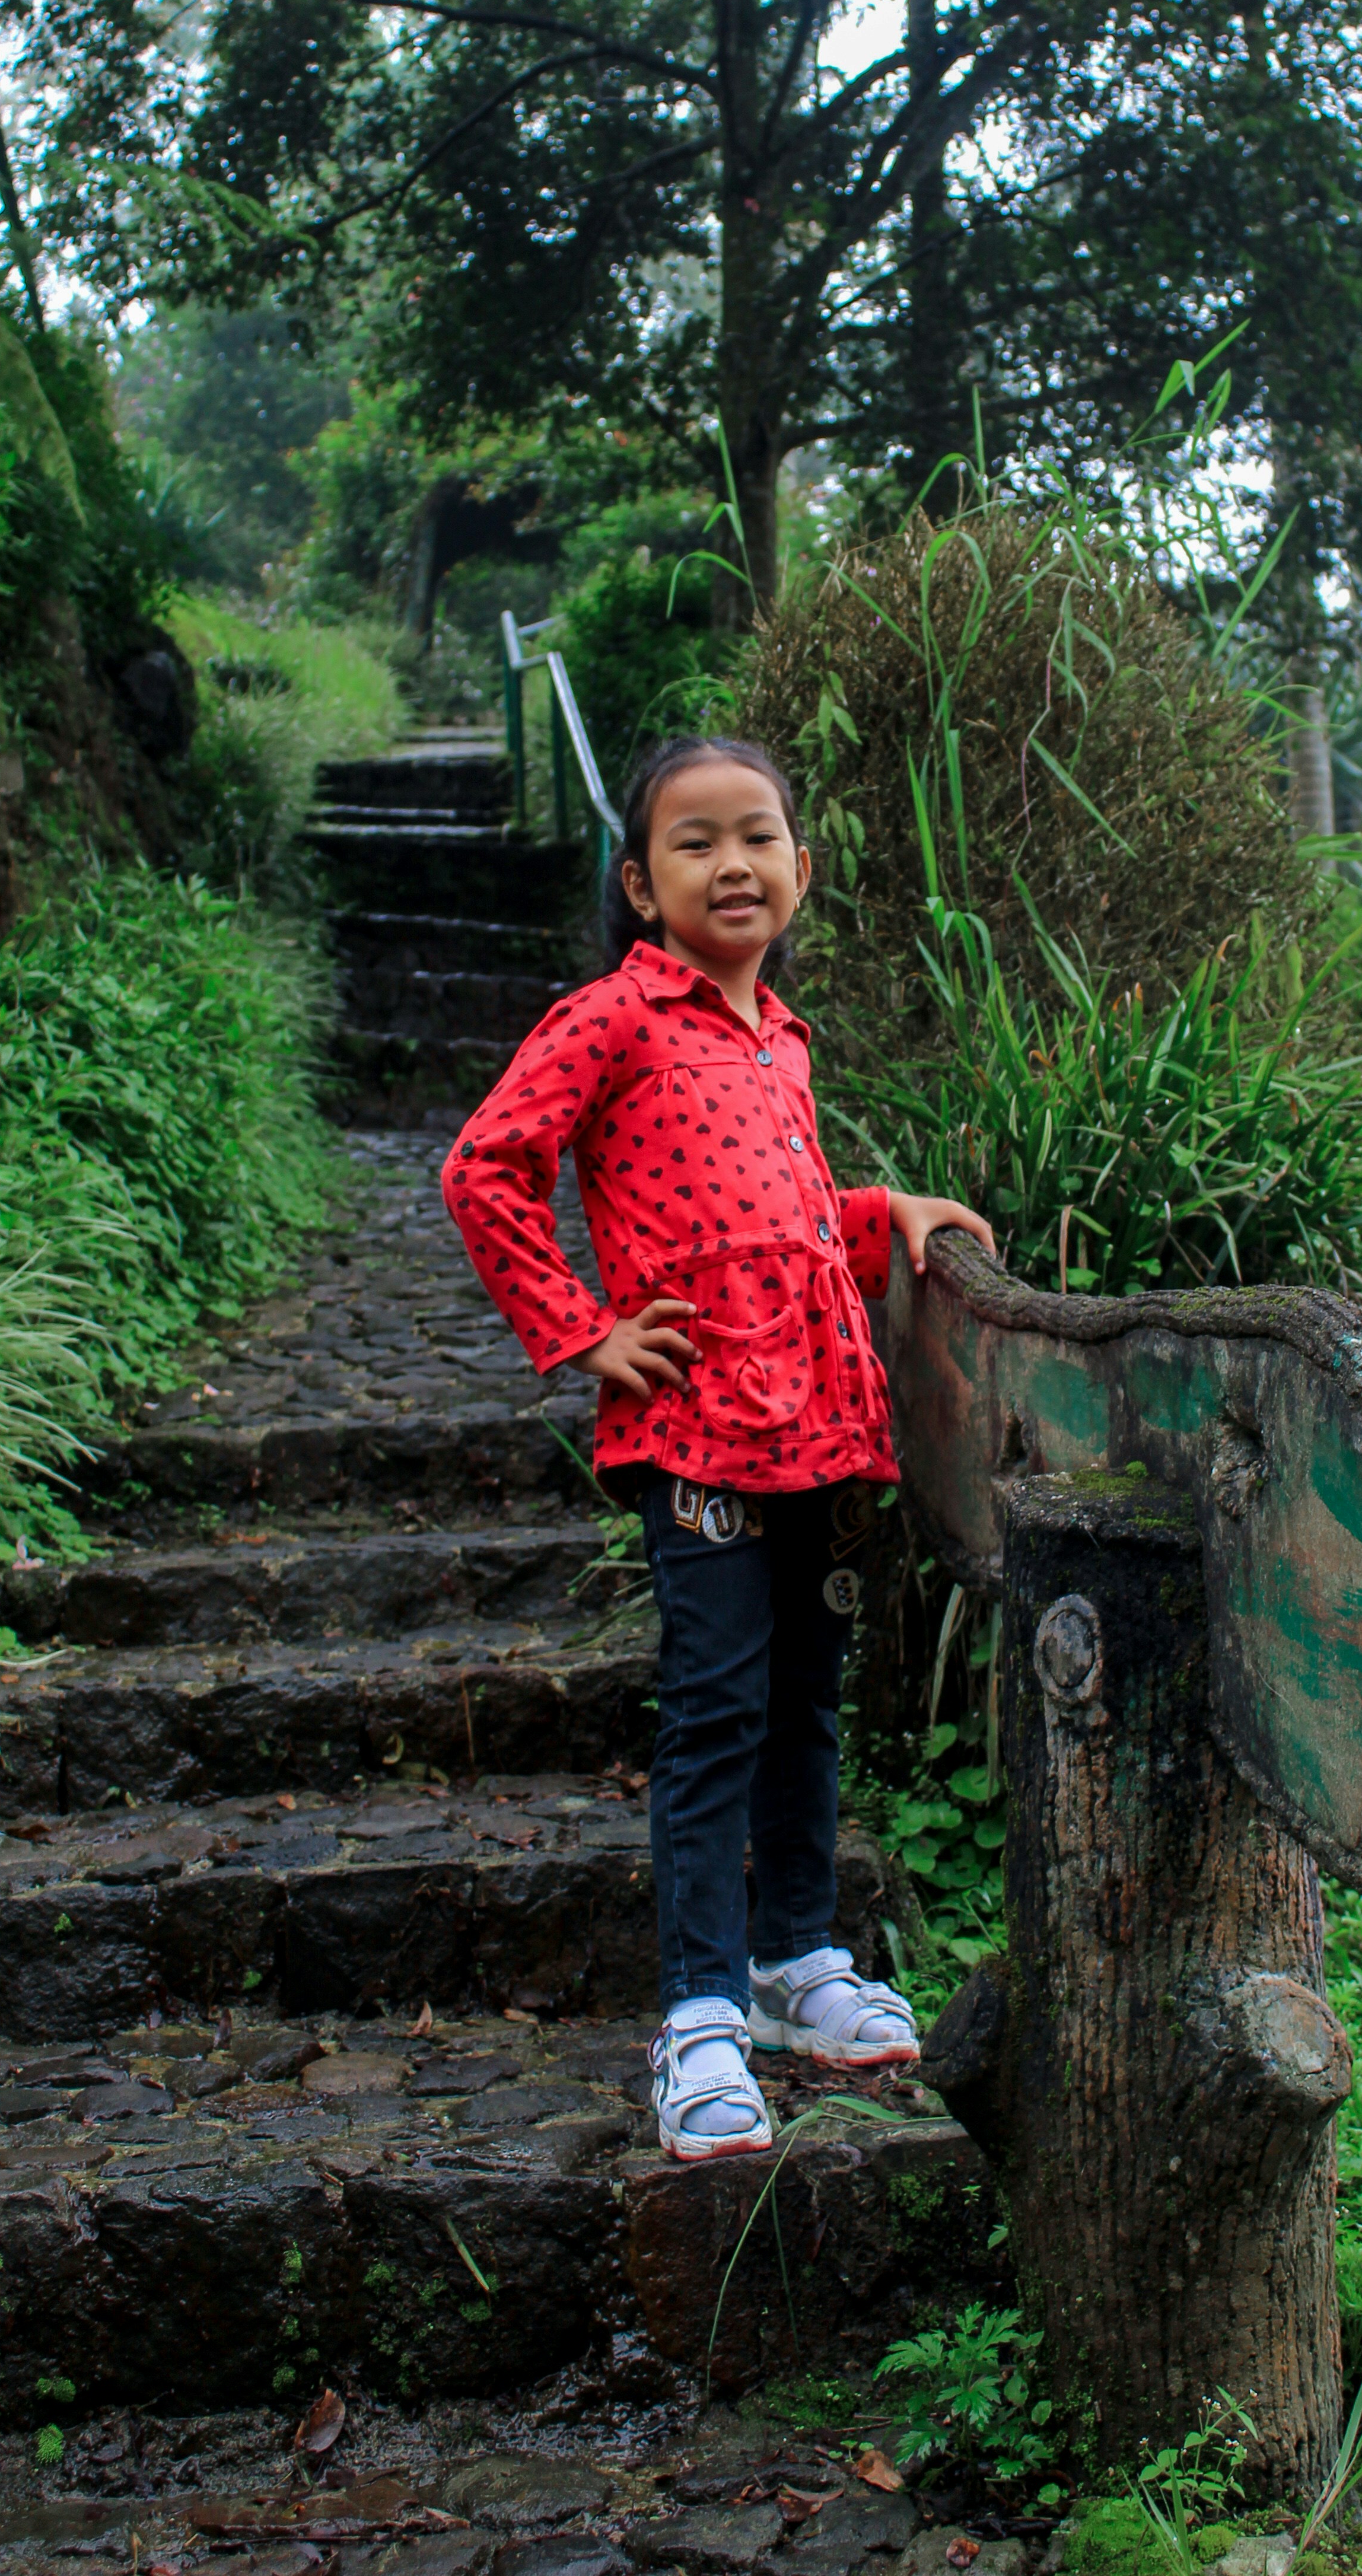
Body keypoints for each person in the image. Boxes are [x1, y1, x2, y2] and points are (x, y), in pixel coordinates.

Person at [441, 733, 996, 2161]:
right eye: (695, 842)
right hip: (693, 1427)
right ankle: (697, 2011)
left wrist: (884, 1215)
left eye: (758, 836)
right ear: (640, 884)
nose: (732, 862)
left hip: (818, 1428)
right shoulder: (612, 1018)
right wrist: (580, 1330)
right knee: (716, 1712)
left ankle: (792, 1958)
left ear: (801, 870)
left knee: (807, 1703)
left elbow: (788, 1219)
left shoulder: (785, 1041)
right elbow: (484, 1166)